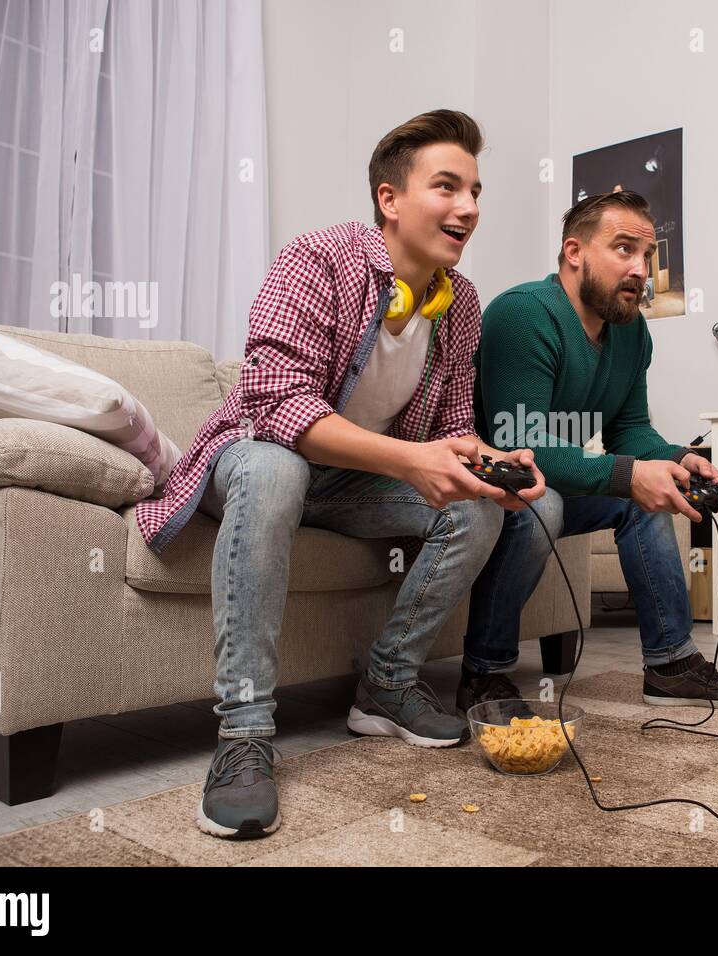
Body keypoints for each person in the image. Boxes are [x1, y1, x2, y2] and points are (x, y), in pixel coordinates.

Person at [133, 110, 545, 839]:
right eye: (446, 186)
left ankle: (386, 685)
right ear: (390, 199)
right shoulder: (318, 258)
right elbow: (276, 403)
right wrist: (416, 461)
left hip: (351, 481)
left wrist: (490, 464)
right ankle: (243, 735)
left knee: (478, 509)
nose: (469, 207)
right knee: (274, 469)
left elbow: (449, 428)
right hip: (257, 454)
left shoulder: (463, 304)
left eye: (476, 190)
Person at [459, 191, 718, 715]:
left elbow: (629, 430)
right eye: (623, 248)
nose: (639, 269)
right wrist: (630, 473)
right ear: (574, 252)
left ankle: (671, 665)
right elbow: (521, 442)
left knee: (646, 495)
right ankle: (483, 675)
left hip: (556, 476)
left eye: (646, 255)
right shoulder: (523, 313)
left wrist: (676, 458)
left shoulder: (632, 330)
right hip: (498, 484)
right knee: (550, 503)